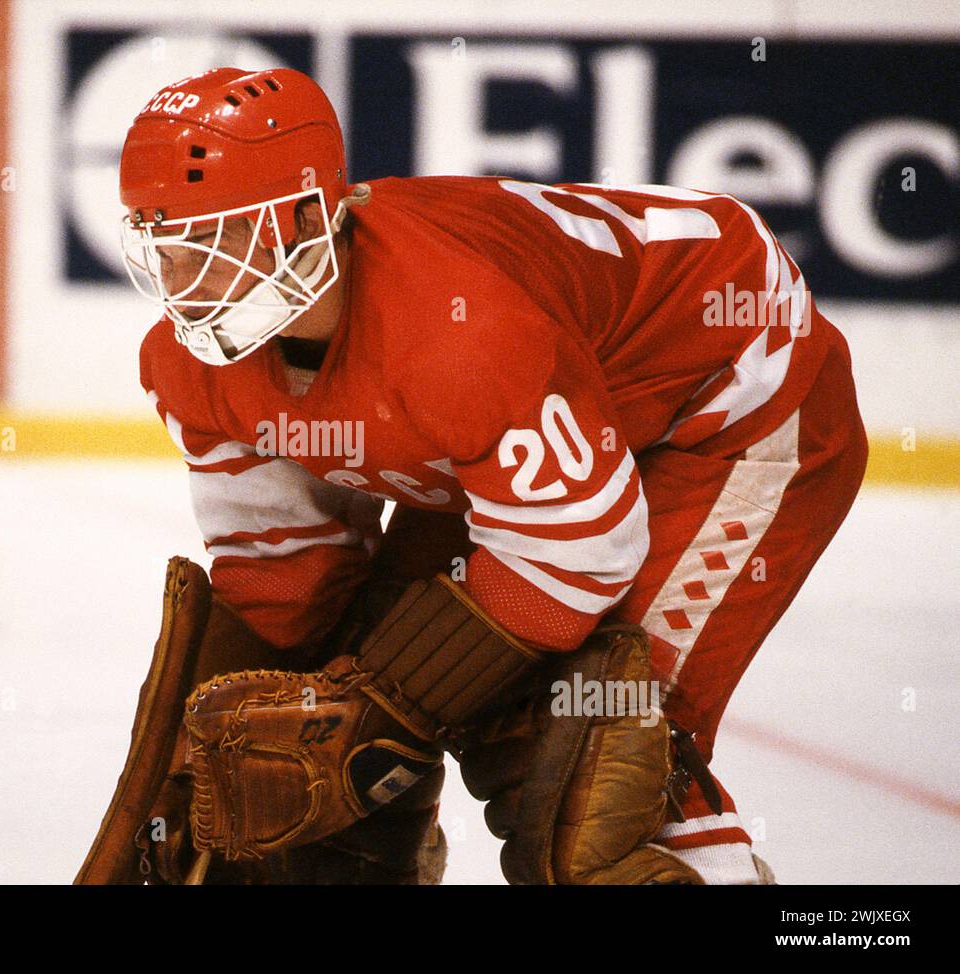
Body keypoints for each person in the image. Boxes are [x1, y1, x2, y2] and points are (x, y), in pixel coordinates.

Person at [116, 66, 868, 884]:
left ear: (308, 217)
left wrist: (382, 707)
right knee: (321, 727)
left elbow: (576, 553)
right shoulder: (192, 369)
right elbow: (287, 583)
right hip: (551, 405)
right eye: (166, 247)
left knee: (605, 751)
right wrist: (186, 762)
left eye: (214, 243)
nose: (188, 287)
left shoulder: (457, 332)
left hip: (730, 395)